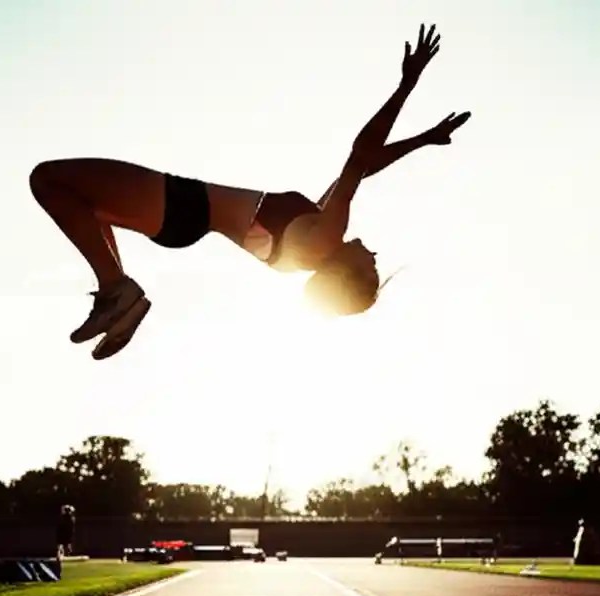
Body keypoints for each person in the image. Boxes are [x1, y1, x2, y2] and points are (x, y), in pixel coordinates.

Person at [29, 23, 471, 360]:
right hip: (183, 217)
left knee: (48, 179)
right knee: (81, 205)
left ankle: (117, 292)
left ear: (345, 272)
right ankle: (117, 296)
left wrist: (406, 86)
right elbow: (357, 172)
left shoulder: (324, 238)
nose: (373, 257)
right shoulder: (309, 248)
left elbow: (357, 159)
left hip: (185, 204)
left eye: (370, 269)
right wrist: (424, 139)